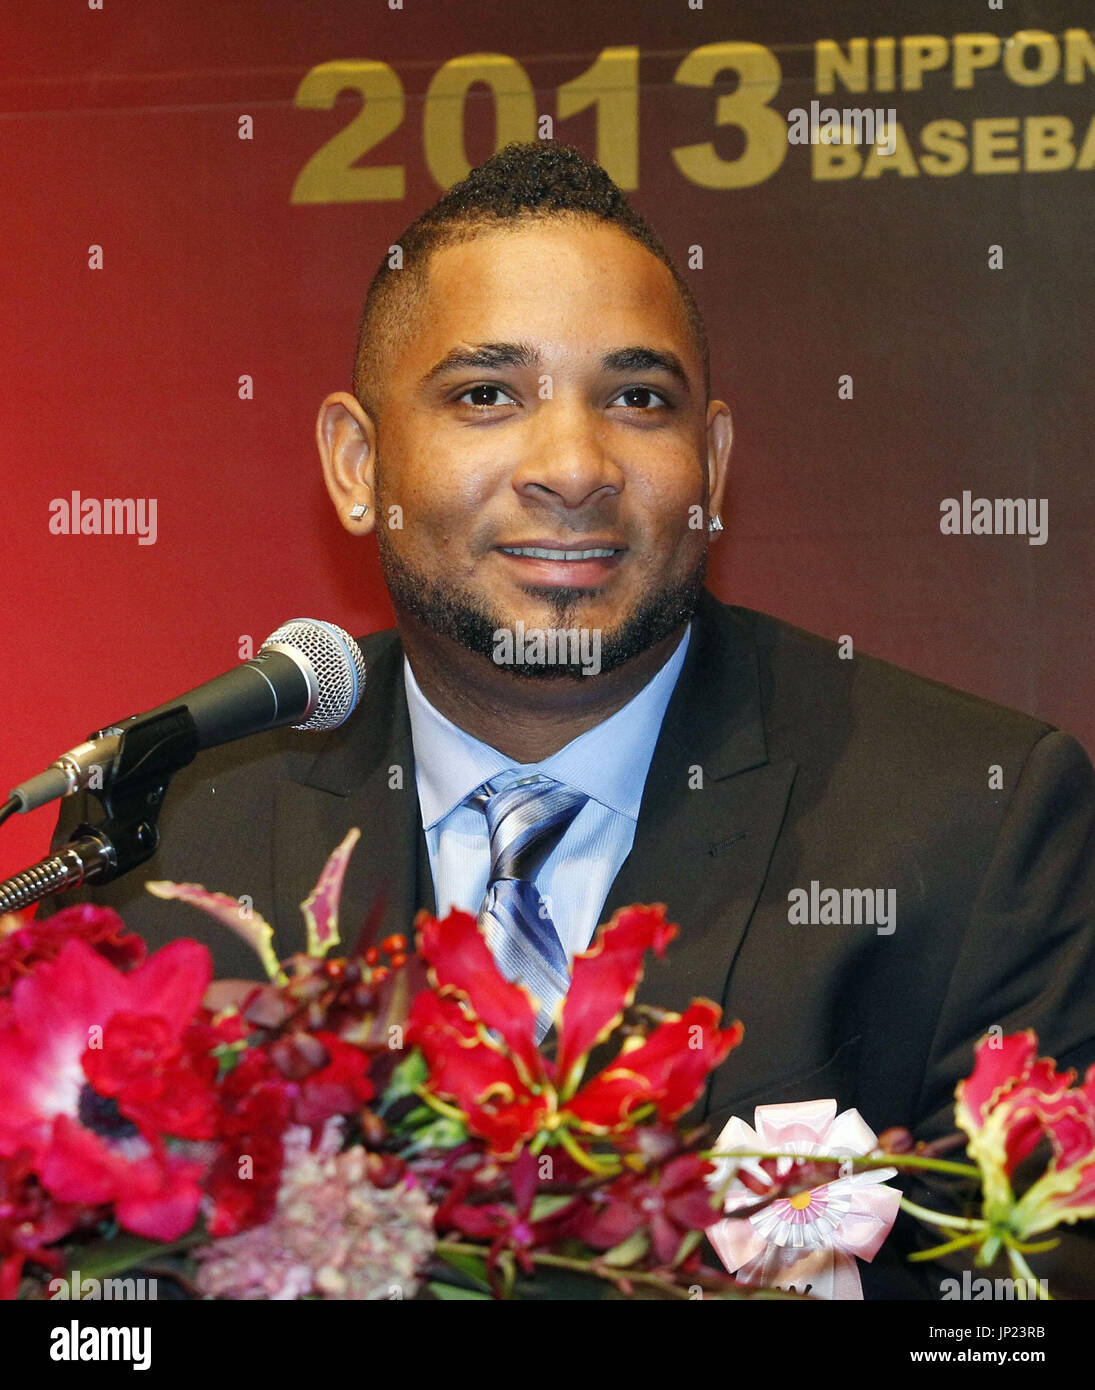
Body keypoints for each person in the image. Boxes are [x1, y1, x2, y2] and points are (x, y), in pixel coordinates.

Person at [41, 141, 1095, 1296]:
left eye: (638, 399)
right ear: (356, 462)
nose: (574, 465)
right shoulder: (169, 833)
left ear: (713, 461)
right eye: (487, 394)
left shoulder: (971, 819)